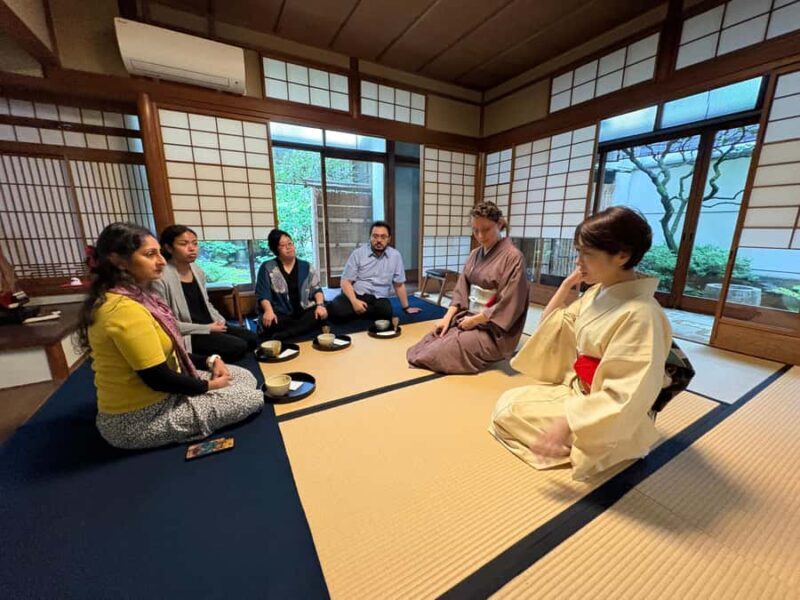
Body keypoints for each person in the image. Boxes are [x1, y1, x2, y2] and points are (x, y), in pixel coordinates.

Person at [489, 206, 672, 481]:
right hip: (578, 391)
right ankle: (564, 438)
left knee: (512, 416)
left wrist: (567, 422)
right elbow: (552, 326)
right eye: (578, 252)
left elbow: (625, 395)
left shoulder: (642, 314)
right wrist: (565, 288)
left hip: (602, 413)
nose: (579, 262)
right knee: (508, 404)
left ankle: (589, 446)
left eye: (587, 254)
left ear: (622, 255)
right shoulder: (598, 292)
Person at [78, 222, 263, 450]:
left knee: (245, 377)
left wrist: (211, 360)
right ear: (119, 260)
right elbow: (158, 379)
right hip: (140, 416)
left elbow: (173, 351)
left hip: (170, 383)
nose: (161, 261)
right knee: (253, 398)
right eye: (150, 254)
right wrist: (208, 386)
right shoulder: (123, 309)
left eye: (158, 253)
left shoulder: (141, 296)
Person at [407, 201, 529, 374]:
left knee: (438, 352)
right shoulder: (475, 254)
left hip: (494, 330)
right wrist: (447, 318)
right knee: (432, 339)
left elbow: (510, 302)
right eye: (475, 230)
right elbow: (461, 291)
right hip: (469, 318)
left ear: (499, 224)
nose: (480, 235)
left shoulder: (513, 257)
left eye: (486, 229)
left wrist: (475, 320)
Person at [153, 225, 258, 362]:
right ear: (168, 248)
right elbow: (166, 322)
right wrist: (206, 328)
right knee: (238, 346)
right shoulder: (161, 278)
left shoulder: (197, 270)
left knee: (252, 338)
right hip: (190, 332)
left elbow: (206, 303)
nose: (192, 248)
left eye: (195, 243)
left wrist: (220, 320)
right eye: (184, 244)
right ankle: (198, 360)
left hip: (210, 324)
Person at [327, 220, 421, 323]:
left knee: (386, 312)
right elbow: (345, 282)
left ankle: (358, 312)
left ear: (389, 239)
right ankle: (359, 309)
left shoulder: (395, 256)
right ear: (370, 238)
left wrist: (406, 307)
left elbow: (399, 285)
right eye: (375, 236)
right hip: (356, 293)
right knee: (338, 311)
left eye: (383, 237)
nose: (379, 240)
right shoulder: (358, 254)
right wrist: (354, 301)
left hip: (379, 298)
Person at [255, 229, 327, 341]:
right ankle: (302, 331)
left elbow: (317, 289)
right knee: (270, 322)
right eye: (283, 245)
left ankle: (285, 335)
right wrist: (268, 311)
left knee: (323, 312)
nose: (288, 247)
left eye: (290, 243)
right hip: (280, 313)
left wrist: (320, 305)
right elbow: (263, 294)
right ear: (275, 249)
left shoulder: (306, 266)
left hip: (304, 310)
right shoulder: (267, 267)